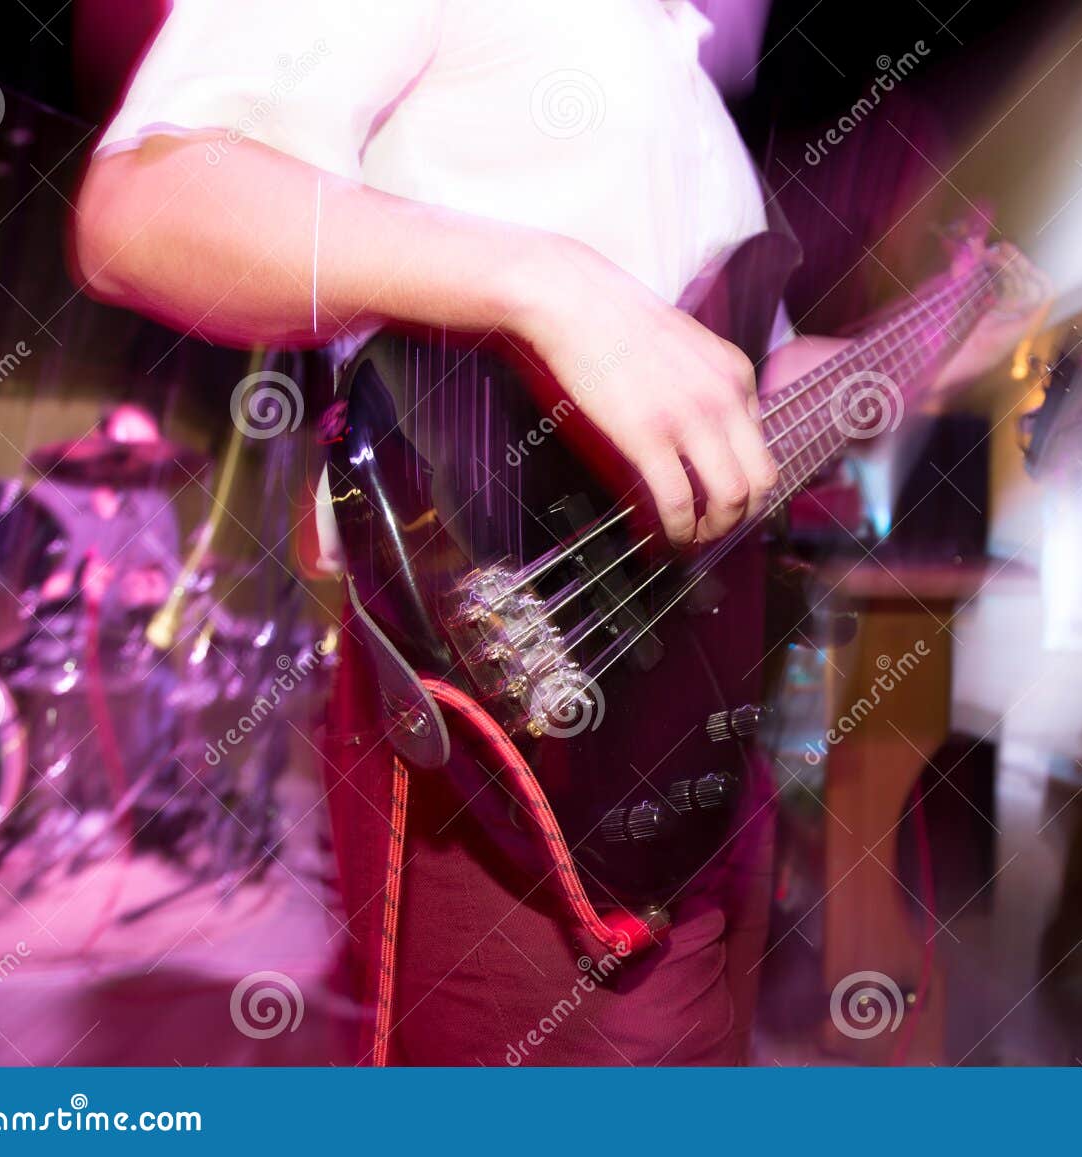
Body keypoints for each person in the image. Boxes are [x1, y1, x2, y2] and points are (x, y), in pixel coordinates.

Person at [74, 0, 1028, 1064]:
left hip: (700, 712)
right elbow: (144, 207)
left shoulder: (699, 95)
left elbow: (743, 397)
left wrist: (931, 342)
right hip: (503, 691)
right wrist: (546, 283)